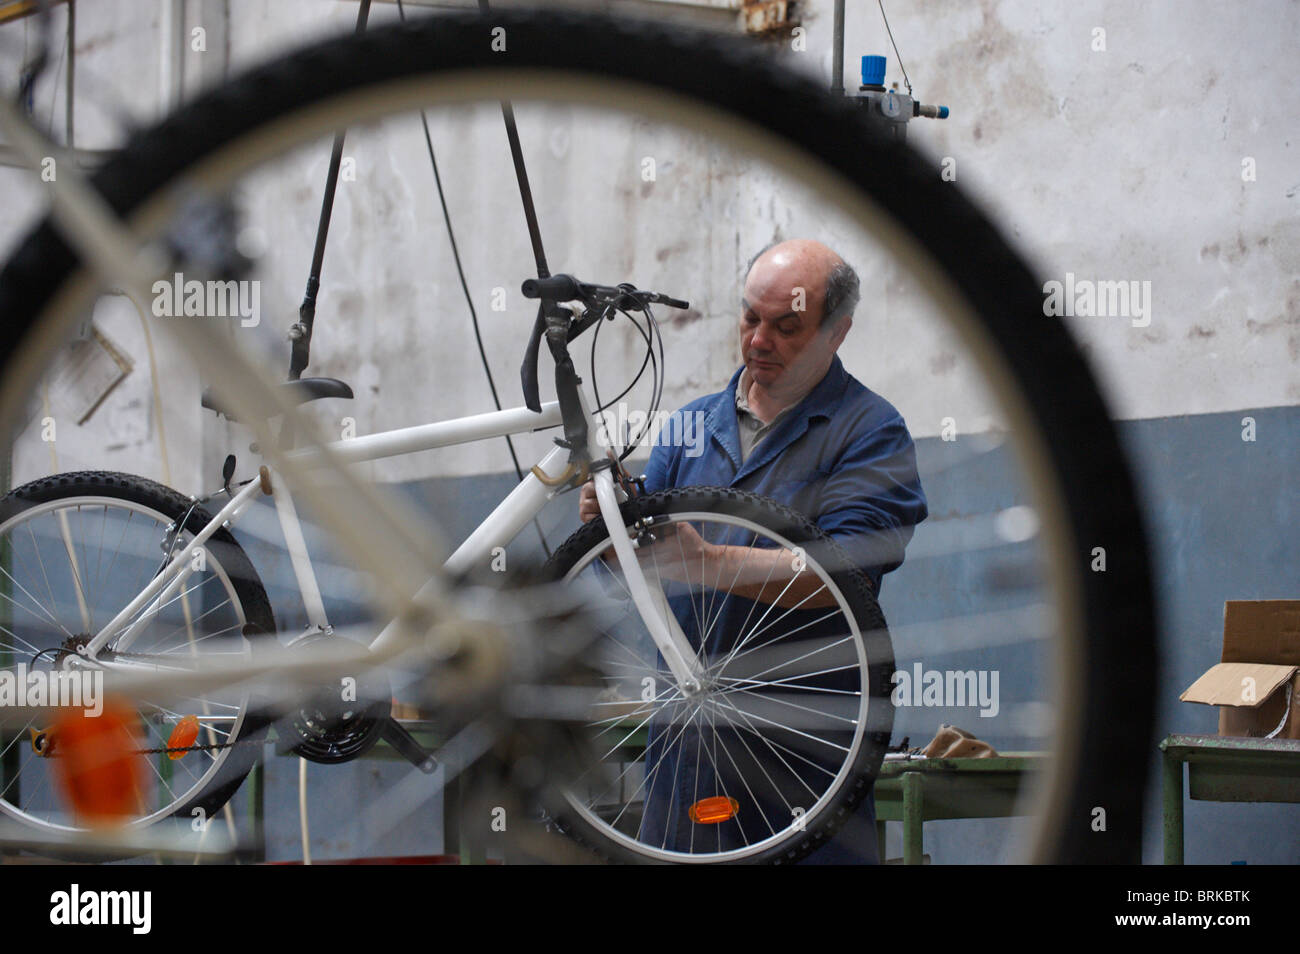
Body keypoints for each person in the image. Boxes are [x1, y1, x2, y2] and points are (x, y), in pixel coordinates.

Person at [578, 238, 928, 862]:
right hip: (689, 747)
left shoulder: (870, 431)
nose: (759, 341)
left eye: (787, 327)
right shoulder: (689, 429)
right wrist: (615, 548)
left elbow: (847, 576)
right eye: (750, 318)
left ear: (836, 334)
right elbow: (648, 586)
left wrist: (705, 561)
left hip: (805, 754)